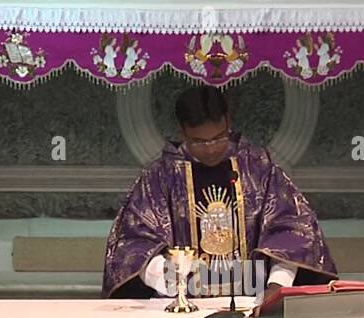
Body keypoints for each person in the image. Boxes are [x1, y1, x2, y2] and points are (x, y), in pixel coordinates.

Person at [102, 84, 337, 302]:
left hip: (253, 298)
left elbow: (293, 230)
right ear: (182, 133)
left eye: (219, 137)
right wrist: (172, 283)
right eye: (199, 141)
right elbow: (132, 244)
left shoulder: (257, 168)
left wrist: (277, 285)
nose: (212, 148)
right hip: (180, 299)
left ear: (229, 122)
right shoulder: (160, 176)